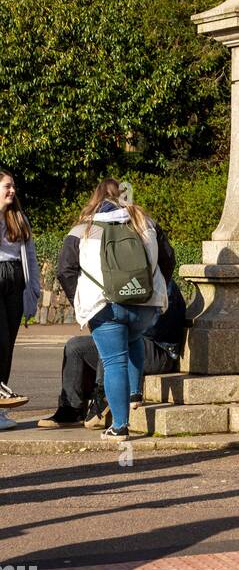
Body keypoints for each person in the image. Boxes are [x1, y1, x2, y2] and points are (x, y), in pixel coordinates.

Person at [56, 179, 168, 441]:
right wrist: (153, 291)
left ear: (96, 198)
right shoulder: (145, 223)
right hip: (144, 307)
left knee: (114, 361)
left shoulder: (83, 229)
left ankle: (119, 426)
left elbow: (65, 270)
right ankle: (135, 395)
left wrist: (81, 300)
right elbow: (168, 259)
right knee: (134, 337)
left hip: (104, 306)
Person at [38, 278, 186, 429]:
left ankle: (103, 398)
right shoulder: (123, 280)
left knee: (114, 341)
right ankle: (71, 410)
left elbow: (158, 326)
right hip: (134, 342)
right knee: (75, 346)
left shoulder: (161, 282)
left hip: (158, 350)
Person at [0, 170, 41, 427]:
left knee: (7, 348)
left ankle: (1, 409)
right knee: (0, 341)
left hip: (15, 278)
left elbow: (32, 259)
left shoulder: (19, 218)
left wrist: (33, 292)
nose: (12, 191)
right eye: (7, 186)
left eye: (13, 186)